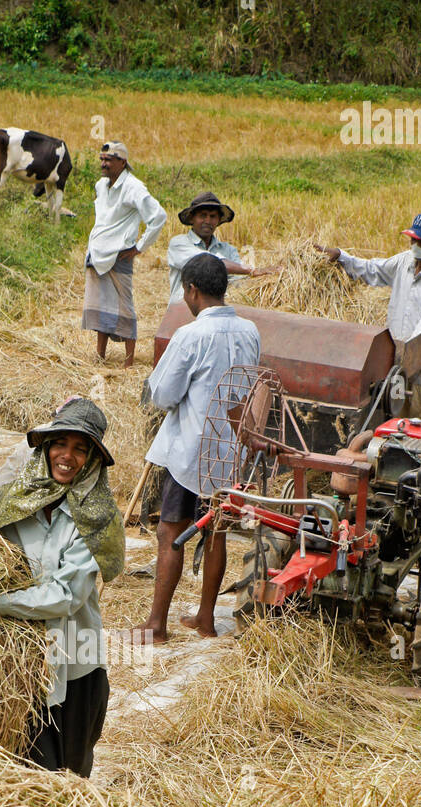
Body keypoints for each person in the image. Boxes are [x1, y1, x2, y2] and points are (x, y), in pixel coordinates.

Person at [0, 397, 125, 777]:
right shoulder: (16, 504)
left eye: (81, 449)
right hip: (21, 668)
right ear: (46, 448)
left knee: (71, 778)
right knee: (25, 776)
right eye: (60, 444)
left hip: (76, 666)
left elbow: (66, 597)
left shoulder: (96, 516)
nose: (67, 456)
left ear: (93, 459)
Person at [135, 254, 261, 643]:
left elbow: (165, 394)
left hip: (190, 452)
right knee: (217, 533)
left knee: (171, 531)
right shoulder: (250, 330)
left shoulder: (190, 335)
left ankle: (157, 625)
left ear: (192, 290)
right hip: (229, 453)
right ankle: (205, 619)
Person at [317, 212, 421, 423]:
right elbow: (372, 270)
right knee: (392, 430)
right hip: (393, 369)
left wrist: (401, 363)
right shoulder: (404, 262)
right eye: (413, 239)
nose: (415, 244)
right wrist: (341, 256)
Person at [81, 141, 167, 368]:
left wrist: (139, 247)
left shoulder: (133, 187)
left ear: (123, 162)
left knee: (124, 306)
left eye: (109, 160)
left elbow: (158, 217)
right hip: (97, 251)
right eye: (102, 159)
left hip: (119, 254)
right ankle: (100, 355)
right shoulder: (101, 185)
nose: (103, 164)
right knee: (100, 304)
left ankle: (129, 364)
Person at [166, 191, 276, 305]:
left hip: (217, 313)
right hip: (183, 311)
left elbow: (237, 282)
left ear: (218, 220)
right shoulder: (179, 243)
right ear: (192, 218)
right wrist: (252, 270)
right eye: (202, 215)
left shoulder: (228, 250)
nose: (208, 221)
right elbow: (207, 262)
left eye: (213, 216)